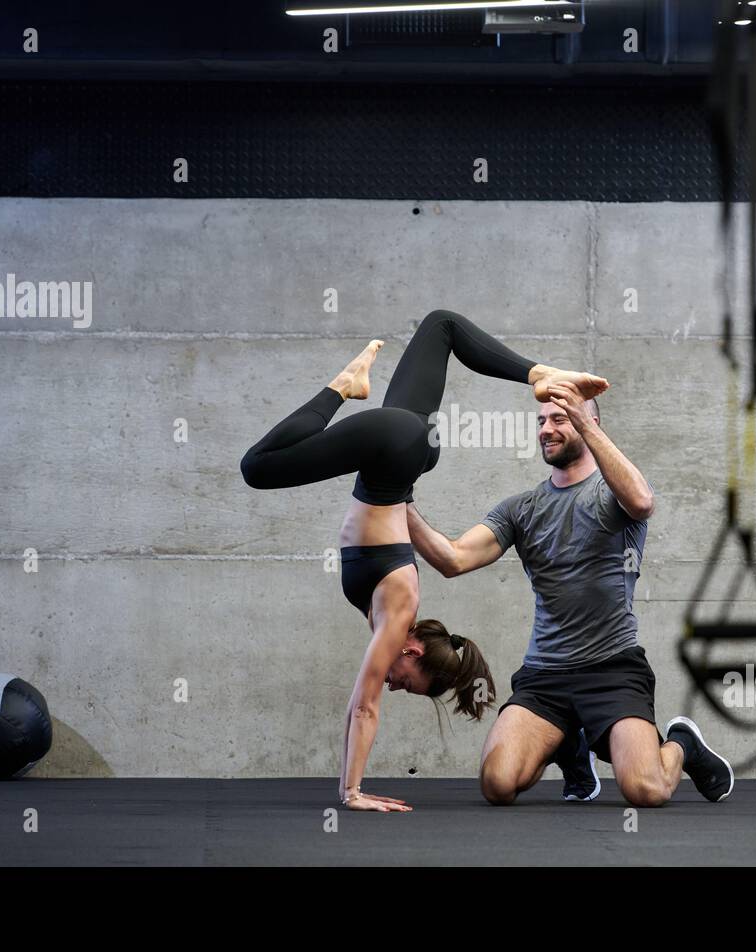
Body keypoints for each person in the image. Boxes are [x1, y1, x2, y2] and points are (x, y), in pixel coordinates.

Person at [239, 309, 608, 812]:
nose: (394, 684)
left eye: (402, 690)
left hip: (406, 453)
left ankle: (538, 374)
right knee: (256, 469)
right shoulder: (399, 609)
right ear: (411, 652)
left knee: (441, 327)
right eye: (406, 683)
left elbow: (364, 699)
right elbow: (363, 706)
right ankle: (344, 385)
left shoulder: (388, 615)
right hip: (394, 448)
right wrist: (351, 793)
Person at [408, 384, 734, 807]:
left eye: (559, 418)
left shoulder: (612, 492)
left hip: (613, 670)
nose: (546, 428)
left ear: (589, 423)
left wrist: (581, 418)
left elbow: (642, 500)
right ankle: (571, 747)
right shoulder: (520, 509)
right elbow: (452, 559)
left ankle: (681, 745)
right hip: (546, 676)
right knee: (498, 784)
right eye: (541, 421)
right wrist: (396, 499)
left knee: (645, 791)